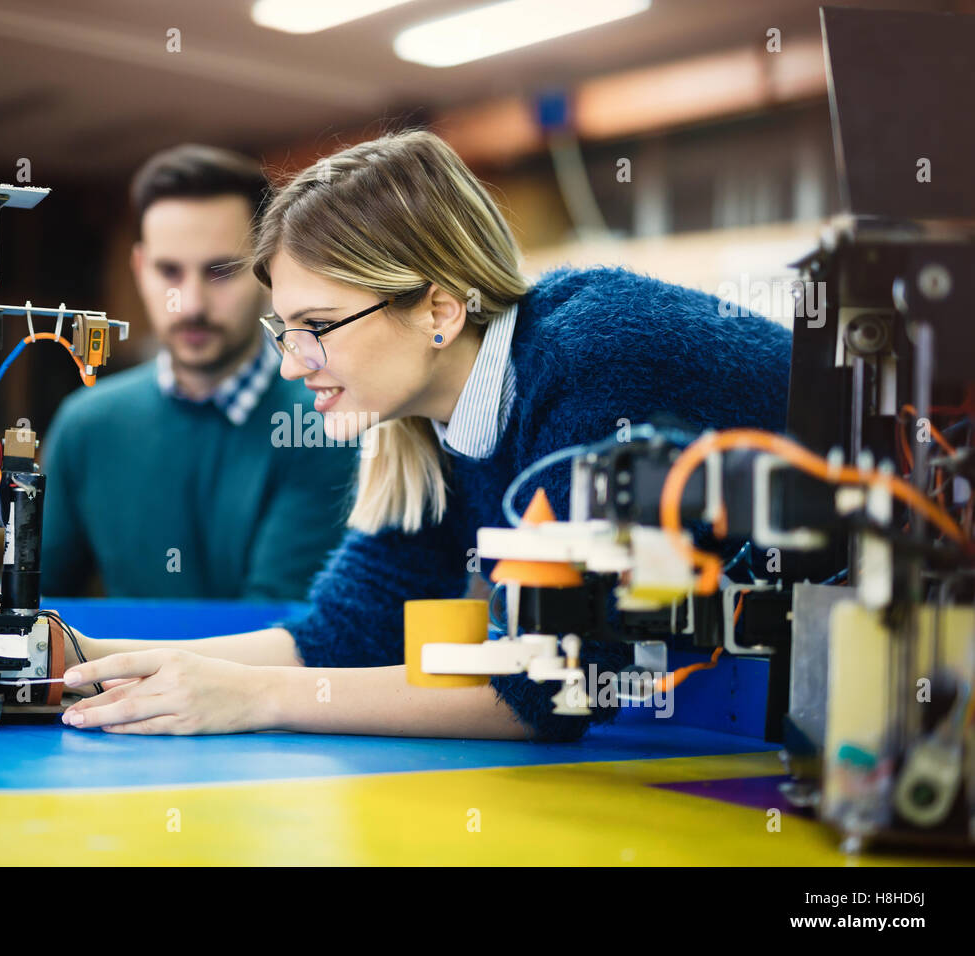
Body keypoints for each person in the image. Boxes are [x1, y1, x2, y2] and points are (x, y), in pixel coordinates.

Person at [55, 129, 792, 741]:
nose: (291, 364)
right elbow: (348, 631)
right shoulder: (428, 422)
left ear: (438, 311)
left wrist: (259, 696)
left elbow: (549, 687)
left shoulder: (591, 361)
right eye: (286, 330)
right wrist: (90, 658)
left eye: (316, 328)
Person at [40, 144, 357, 599]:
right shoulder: (86, 424)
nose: (190, 305)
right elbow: (38, 609)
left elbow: (279, 624)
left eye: (221, 271)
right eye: (169, 271)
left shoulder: (324, 422)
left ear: (269, 271)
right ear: (139, 268)